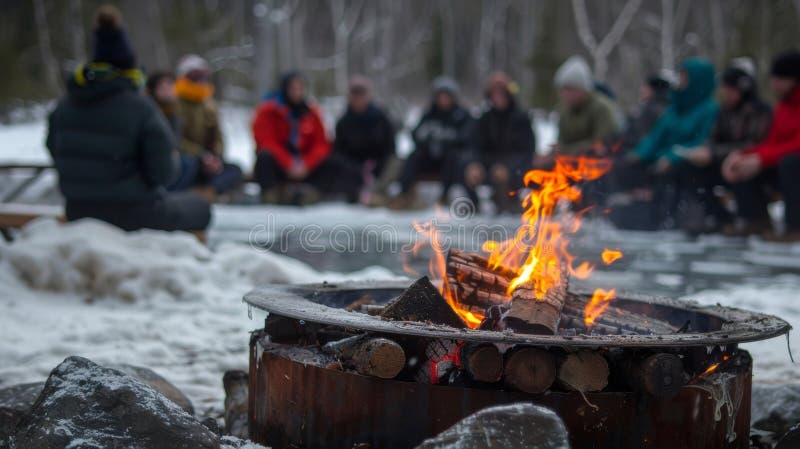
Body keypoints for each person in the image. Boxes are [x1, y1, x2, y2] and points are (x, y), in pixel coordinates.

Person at [46, 5, 210, 232]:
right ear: (128, 66)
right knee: (201, 207)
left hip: (78, 211)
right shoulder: (140, 107)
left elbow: (56, 153)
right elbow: (164, 174)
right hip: (134, 214)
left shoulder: (63, 107)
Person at [673, 59, 772, 232]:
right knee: (689, 168)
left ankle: (753, 220)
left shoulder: (759, 111)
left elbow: (754, 143)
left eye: (730, 90)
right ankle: (720, 218)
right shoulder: (724, 111)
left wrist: (714, 153)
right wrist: (704, 150)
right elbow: (713, 136)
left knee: (740, 167)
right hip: (721, 161)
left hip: (752, 163)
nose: (726, 94)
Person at [722, 50, 800, 240]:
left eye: (779, 79)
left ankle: (795, 228)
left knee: (790, 164)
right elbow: (772, 143)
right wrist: (743, 155)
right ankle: (756, 220)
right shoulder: (783, 106)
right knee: (744, 164)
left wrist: (760, 158)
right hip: (783, 163)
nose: (773, 84)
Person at [252, 72, 356, 204]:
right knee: (264, 159)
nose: (297, 93)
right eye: (293, 89)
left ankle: (311, 196)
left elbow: (322, 144)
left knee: (334, 162)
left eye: (300, 89)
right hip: (280, 165)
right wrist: (289, 163)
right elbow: (266, 142)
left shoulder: (311, 112)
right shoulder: (267, 111)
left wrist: (306, 164)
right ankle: (273, 196)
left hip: (304, 167)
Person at [392, 77, 475, 209]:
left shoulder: (462, 115)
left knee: (453, 157)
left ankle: (445, 197)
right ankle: (404, 194)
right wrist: (429, 141)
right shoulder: (429, 114)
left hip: (452, 162)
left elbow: (467, 138)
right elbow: (416, 135)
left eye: (446, 96)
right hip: (430, 158)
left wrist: (444, 140)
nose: (443, 99)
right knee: (413, 157)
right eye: (440, 96)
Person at [465, 71, 536, 212]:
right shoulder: (484, 119)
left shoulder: (521, 118)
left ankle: (507, 208)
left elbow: (527, 150)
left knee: (502, 175)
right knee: (469, 170)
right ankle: (473, 208)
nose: (498, 98)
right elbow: (476, 146)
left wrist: (507, 167)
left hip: (517, 167)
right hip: (490, 164)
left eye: (501, 94)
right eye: (494, 94)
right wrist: (475, 164)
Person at [173, 54, 242, 197]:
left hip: (208, 161)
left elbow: (219, 137)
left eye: (203, 77)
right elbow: (176, 139)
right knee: (188, 165)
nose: (201, 82)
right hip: (186, 159)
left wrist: (215, 157)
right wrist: (201, 156)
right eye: (196, 77)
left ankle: (208, 192)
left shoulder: (209, 105)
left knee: (234, 169)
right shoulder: (175, 104)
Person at [332, 75, 396, 205]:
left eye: (361, 94)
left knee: (395, 164)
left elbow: (390, 147)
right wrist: (357, 168)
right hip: (353, 168)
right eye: (355, 94)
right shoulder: (343, 122)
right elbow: (338, 151)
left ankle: (378, 193)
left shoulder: (381, 118)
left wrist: (377, 165)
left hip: (379, 164)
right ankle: (357, 194)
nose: (358, 98)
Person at [553, 56, 619, 156]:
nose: (565, 94)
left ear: (583, 89)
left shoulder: (602, 109)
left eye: (570, 89)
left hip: (599, 165)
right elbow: (561, 143)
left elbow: (601, 146)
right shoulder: (565, 111)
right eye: (562, 89)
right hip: (570, 163)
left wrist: (565, 151)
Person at [619, 73, 672, 152]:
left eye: (646, 87)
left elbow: (639, 137)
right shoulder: (651, 107)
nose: (642, 90)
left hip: (638, 154)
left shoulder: (653, 110)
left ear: (654, 90)